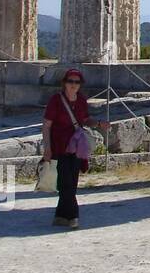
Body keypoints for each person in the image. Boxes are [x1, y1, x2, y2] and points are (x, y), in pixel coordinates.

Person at [40, 69, 105, 228]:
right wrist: (47, 148)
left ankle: (60, 216)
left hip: (76, 145)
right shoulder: (56, 100)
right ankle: (73, 216)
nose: (73, 85)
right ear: (64, 83)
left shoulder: (82, 100)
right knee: (65, 182)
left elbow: (84, 119)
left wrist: (98, 124)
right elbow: (46, 125)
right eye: (71, 81)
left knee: (72, 182)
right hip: (59, 145)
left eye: (77, 82)